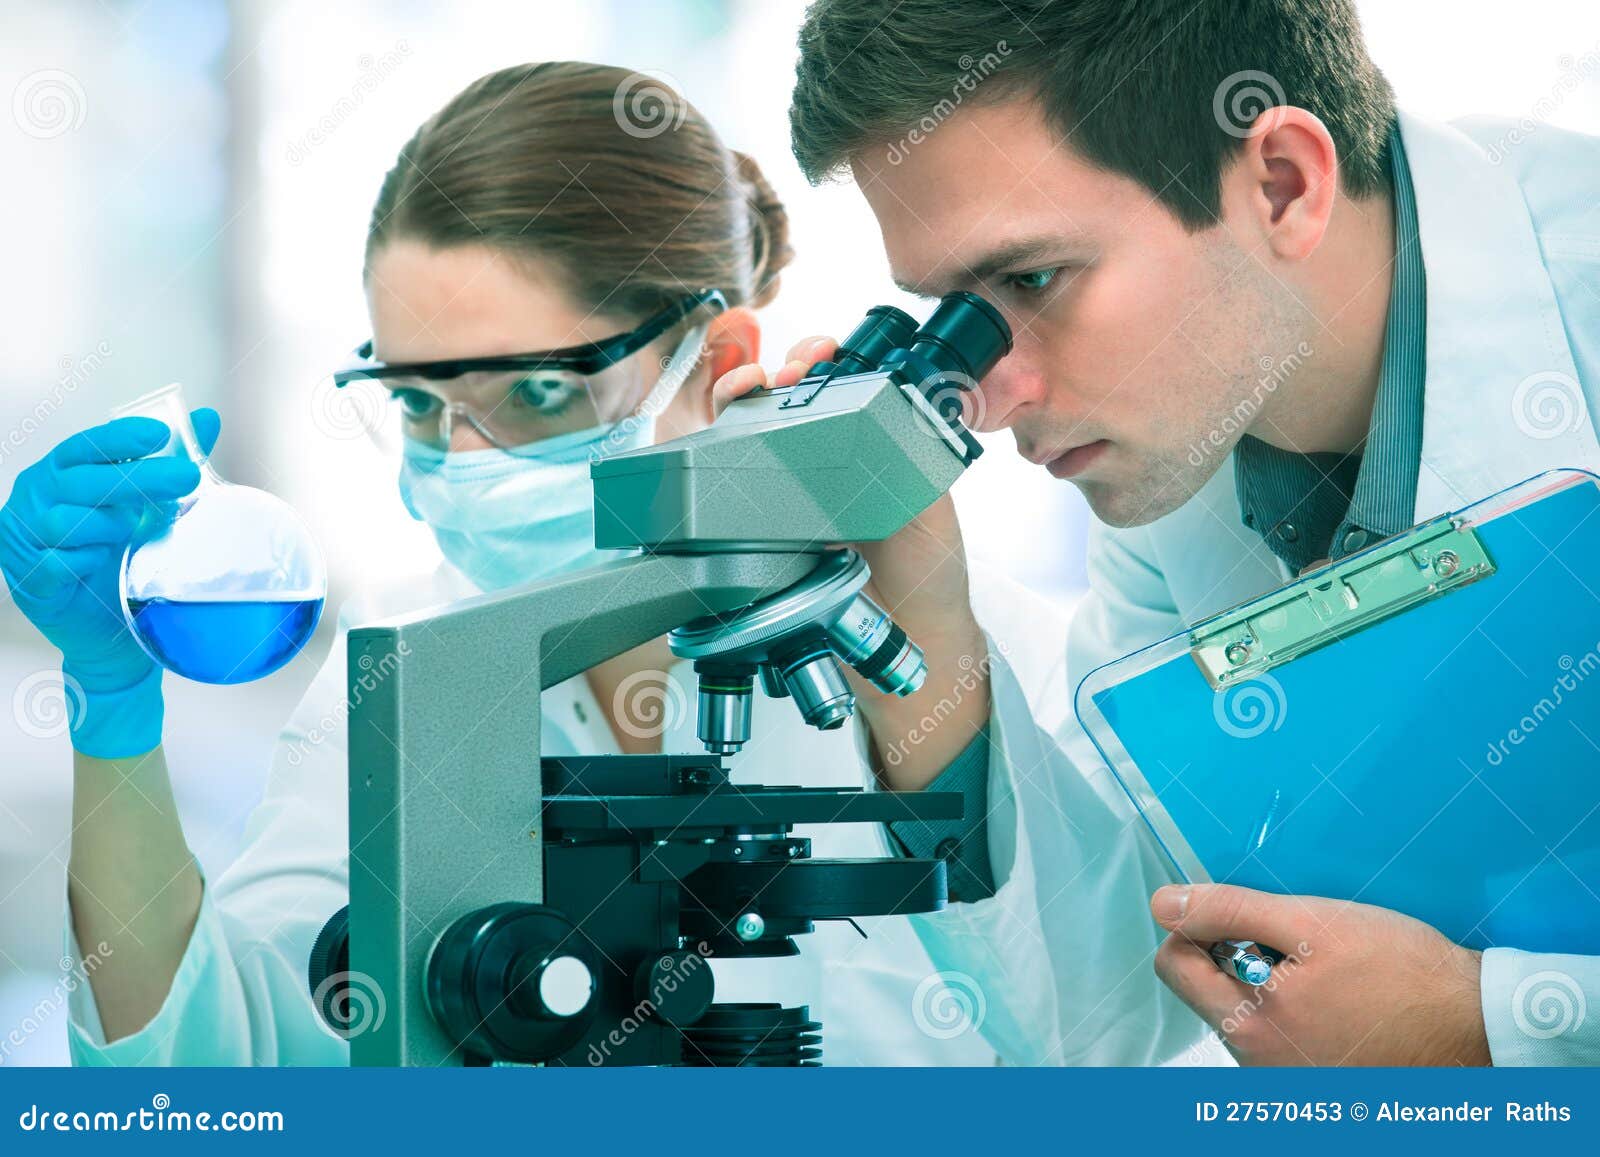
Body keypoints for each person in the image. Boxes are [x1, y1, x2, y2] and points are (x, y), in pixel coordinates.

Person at [0, 62, 1171, 1066]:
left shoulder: (963, 638)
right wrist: (114, 710)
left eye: (538, 393)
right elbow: (218, 1061)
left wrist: (926, 645)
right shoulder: (408, 670)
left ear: (716, 357)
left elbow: (1094, 1036)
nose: (464, 457)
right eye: (418, 402)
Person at [762, 0, 1600, 1065]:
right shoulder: (1186, 460)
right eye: (949, 316)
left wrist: (1493, 1019)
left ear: (1281, 184)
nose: (992, 392)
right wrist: (915, 614)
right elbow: (1114, 992)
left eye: (1029, 280)